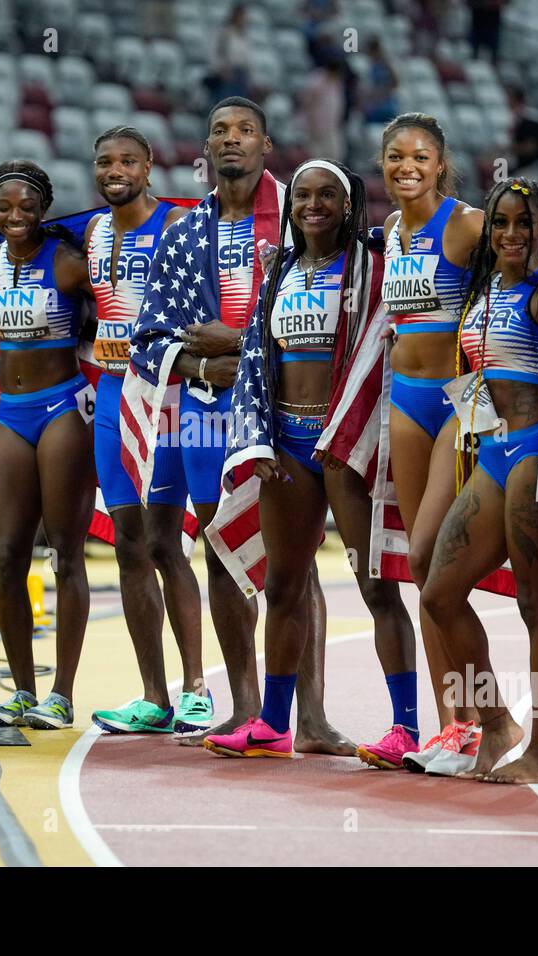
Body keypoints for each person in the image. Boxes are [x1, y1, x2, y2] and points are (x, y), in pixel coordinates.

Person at [129, 97, 353, 754]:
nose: (233, 140)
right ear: (207, 146)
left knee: (297, 562)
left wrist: (236, 343)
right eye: (221, 131)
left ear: (266, 144)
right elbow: (148, 337)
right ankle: (246, 709)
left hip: (284, 412)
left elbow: (327, 311)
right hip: (205, 415)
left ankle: (310, 718)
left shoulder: (299, 219)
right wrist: (200, 362)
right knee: (225, 558)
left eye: (246, 131)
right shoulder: (182, 232)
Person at [201, 159, 418, 763]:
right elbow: (254, 357)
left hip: (345, 442)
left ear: (349, 205)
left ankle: (406, 728)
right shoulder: (282, 271)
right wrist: (258, 440)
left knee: (376, 587)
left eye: (328, 195)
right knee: (283, 585)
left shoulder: (372, 264)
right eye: (302, 196)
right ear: (290, 205)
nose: (313, 205)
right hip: (288, 447)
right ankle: (273, 724)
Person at [418, 178, 538, 782]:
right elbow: (472, 374)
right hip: (493, 451)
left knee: (535, 604)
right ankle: (497, 726)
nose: (511, 233)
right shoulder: (482, 291)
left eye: (523, 222)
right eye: (500, 224)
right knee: (439, 593)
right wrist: (472, 429)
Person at [0, 160, 97, 730]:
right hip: (10, 413)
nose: (15, 216)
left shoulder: (67, 263)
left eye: (26, 207)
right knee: (8, 555)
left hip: (62, 409)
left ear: (43, 209)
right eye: (3, 207)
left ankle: (62, 693)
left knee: (64, 552)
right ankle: (23, 691)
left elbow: (120, 305)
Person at [80, 127, 212, 735]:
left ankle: (197, 690)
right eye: (105, 161)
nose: (116, 170)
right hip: (112, 394)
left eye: (127, 160)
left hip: (170, 395)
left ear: (149, 165)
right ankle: (152, 696)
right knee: (128, 543)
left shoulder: (180, 226)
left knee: (166, 543)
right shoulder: (92, 231)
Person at [376, 113, 485, 771]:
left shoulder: (467, 223)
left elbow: (529, 275)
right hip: (406, 400)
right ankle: (451, 727)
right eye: (394, 156)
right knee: (423, 570)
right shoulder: (390, 231)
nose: (406, 166)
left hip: (458, 400)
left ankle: (475, 720)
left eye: (419, 156)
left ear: (441, 164)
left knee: (431, 557)